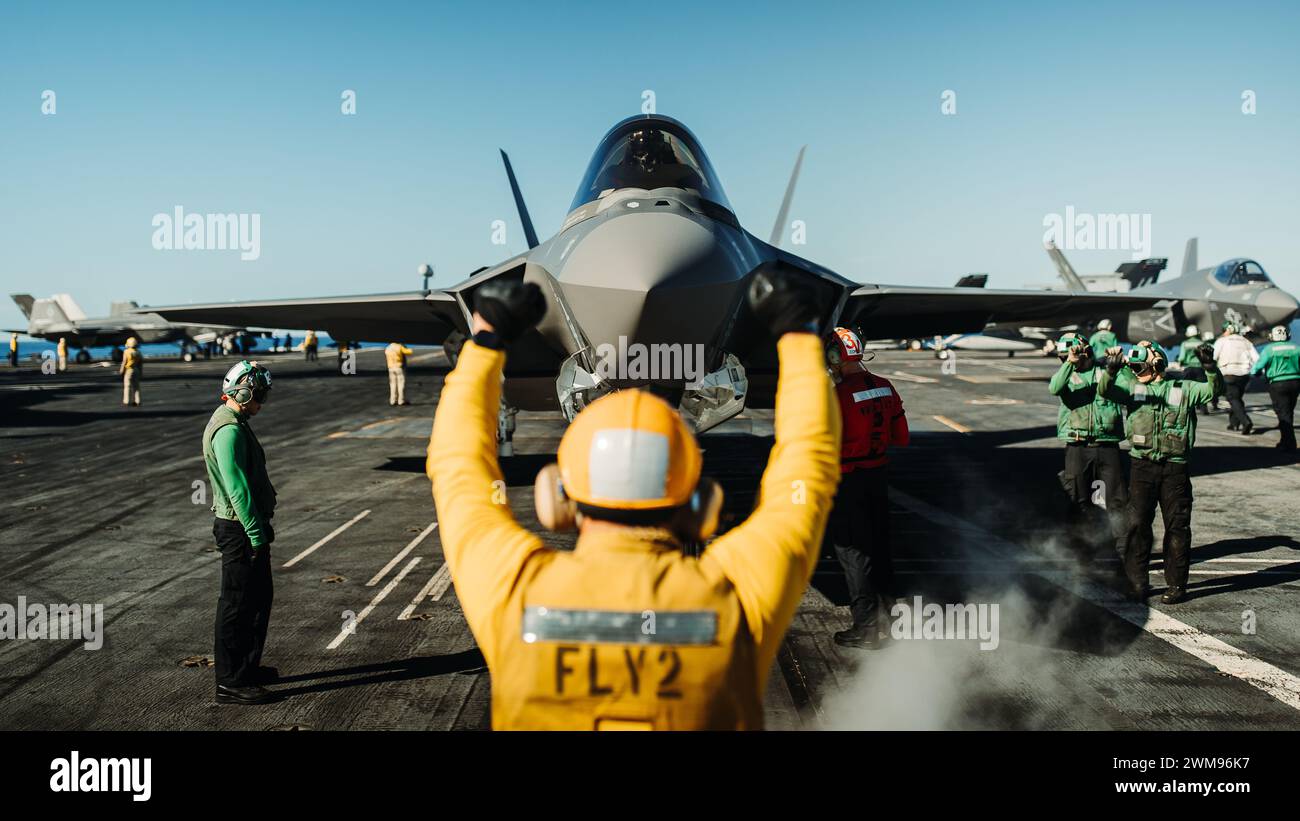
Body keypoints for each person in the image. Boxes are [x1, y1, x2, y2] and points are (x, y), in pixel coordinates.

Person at [427, 271, 840, 729]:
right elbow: (809, 471)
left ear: (558, 498)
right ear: (700, 502)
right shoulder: (736, 594)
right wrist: (799, 337)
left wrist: (484, 340)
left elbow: (457, 469)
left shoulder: (514, 589)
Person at [1098, 340, 1221, 604]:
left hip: (1175, 467)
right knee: (1137, 526)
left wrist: (1210, 367)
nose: (1136, 371)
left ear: (1157, 365)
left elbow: (1213, 390)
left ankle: (1177, 585)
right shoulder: (1132, 388)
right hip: (1142, 466)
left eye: (1140, 367)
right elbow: (1105, 390)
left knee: (1177, 526)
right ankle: (1137, 583)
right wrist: (1111, 370)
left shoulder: (1183, 388)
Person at [823, 326, 908, 649]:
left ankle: (866, 628)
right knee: (880, 547)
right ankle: (892, 619)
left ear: (835, 355)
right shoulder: (885, 387)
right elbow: (901, 437)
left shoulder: (839, 395)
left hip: (849, 479)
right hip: (878, 475)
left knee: (852, 551)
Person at [203, 360, 278, 704]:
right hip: (240, 529)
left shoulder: (235, 421)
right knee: (236, 604)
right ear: (243, 392)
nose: (262, 402)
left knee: (257, 600)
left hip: (246, 526)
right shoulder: (229, 430)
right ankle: (230, 682)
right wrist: (256, 534)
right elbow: (238, 489)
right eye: (259, 395)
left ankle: (246, 668)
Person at [1048, 332, 1128, 558]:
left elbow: (1126, 392)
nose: (1065, 359)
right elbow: (1054, 388)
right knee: (1077, 500)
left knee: (1118, 501)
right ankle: (1078, 551)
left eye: (1070, 354)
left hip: (1107, 444)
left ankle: (1123, 551)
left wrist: (1114, 369)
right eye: (1062, 357)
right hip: (1077, 445)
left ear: (1086, 351)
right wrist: (1069, 365)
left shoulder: (1106, 373)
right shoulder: (1066, 375)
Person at [1251, 325, 1300, 452]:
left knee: (1283, 413)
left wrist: (1255, 373)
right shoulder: (1296, 348)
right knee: (1288, 411)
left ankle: (1290, 443)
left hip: (1278, 384)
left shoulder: (1269, 349)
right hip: (1295, 382)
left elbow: (1257, 368)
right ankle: (1285, 440)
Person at [1213, 321, 1258, 434]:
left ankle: (1245, 421)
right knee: (1236, 399)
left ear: (1226, 331)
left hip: (1228, 373)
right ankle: (1233, 424)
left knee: (1233, 399)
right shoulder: (1246, 342)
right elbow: (1256, 358)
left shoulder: (1221, 341)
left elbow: (1214, 357)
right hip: (1244, 375)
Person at [119, 337, 142, 406]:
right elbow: (140, 363)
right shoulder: (138, 352)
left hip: (129, 370)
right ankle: (137, 401)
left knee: (127, 386)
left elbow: (124, 362)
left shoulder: (126, 351)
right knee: (136, 387)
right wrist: (141, 372)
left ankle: (126, 401)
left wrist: (121, 370)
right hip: (136, 369)